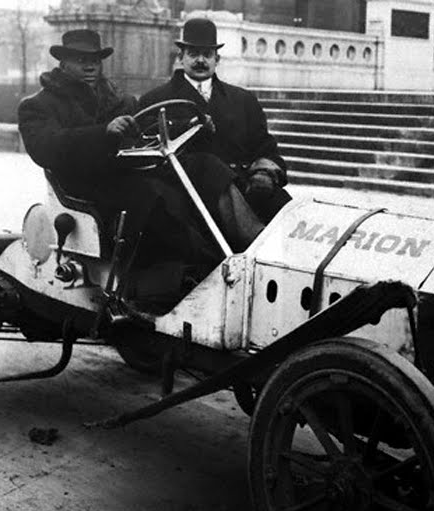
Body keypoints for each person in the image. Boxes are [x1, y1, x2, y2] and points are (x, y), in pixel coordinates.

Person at [18, 29, 262, 308]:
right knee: (153, 196)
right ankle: (206, 266)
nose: (89, 66)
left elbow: (145, 134)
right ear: (63, 63)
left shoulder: (118, 100)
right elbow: (46, 148)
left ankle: (252, 239)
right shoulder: (38, 106)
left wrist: (193, 128)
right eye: (79, 59)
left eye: (95, 60)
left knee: (204, 166)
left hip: (128, 171)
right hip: (84, 186)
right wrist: (103, 133)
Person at [138, 17, 291, 224]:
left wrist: (264, 173)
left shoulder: (243, 100)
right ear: (180, 57)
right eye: (193, 54)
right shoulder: (155, 101)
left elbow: (265, 146)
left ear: (217, 59)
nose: (200, 60)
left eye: (207, 54)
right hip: (187, 195)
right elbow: (146, 153)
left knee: (284, 210)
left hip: (244, 186)